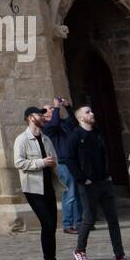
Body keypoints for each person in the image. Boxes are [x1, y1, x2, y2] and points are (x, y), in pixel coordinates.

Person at [67, 105, 130, 260]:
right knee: (89, 218)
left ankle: (119, 256)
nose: (92, 113)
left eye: (91, 111)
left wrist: (108, 174)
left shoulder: (98, 134)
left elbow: (104, 155)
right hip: (88, 184)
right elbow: (69, 159)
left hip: (104, 182)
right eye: (88, 112)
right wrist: (82, 179)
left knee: (113, 220)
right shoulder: (75, 136)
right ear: (80, 118)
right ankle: (80, 250)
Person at [14, 106, 63, 260]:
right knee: (47, 223)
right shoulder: (22, 139)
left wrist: (53, 163)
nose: (42, 117)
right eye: (38, 114)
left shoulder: (46, 138)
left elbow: (54, 158)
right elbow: (18, 162)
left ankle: (52, 259)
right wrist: (41, 162)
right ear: (30, 118)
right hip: (33, 188)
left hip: (48, 186)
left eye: (43, 114)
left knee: (52, 225)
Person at [43, 95, 79, 235]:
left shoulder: (62, 123)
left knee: (76, 194)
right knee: (69, 194)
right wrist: (57, 107)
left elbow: (74, 122)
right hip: (62, 164)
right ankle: (67, 224)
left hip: (71, 161)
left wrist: (68, 107)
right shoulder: (47, 127)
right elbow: (54, 123)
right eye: (49, 109)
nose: (52, 110)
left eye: (53, 108)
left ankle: (78, 222)